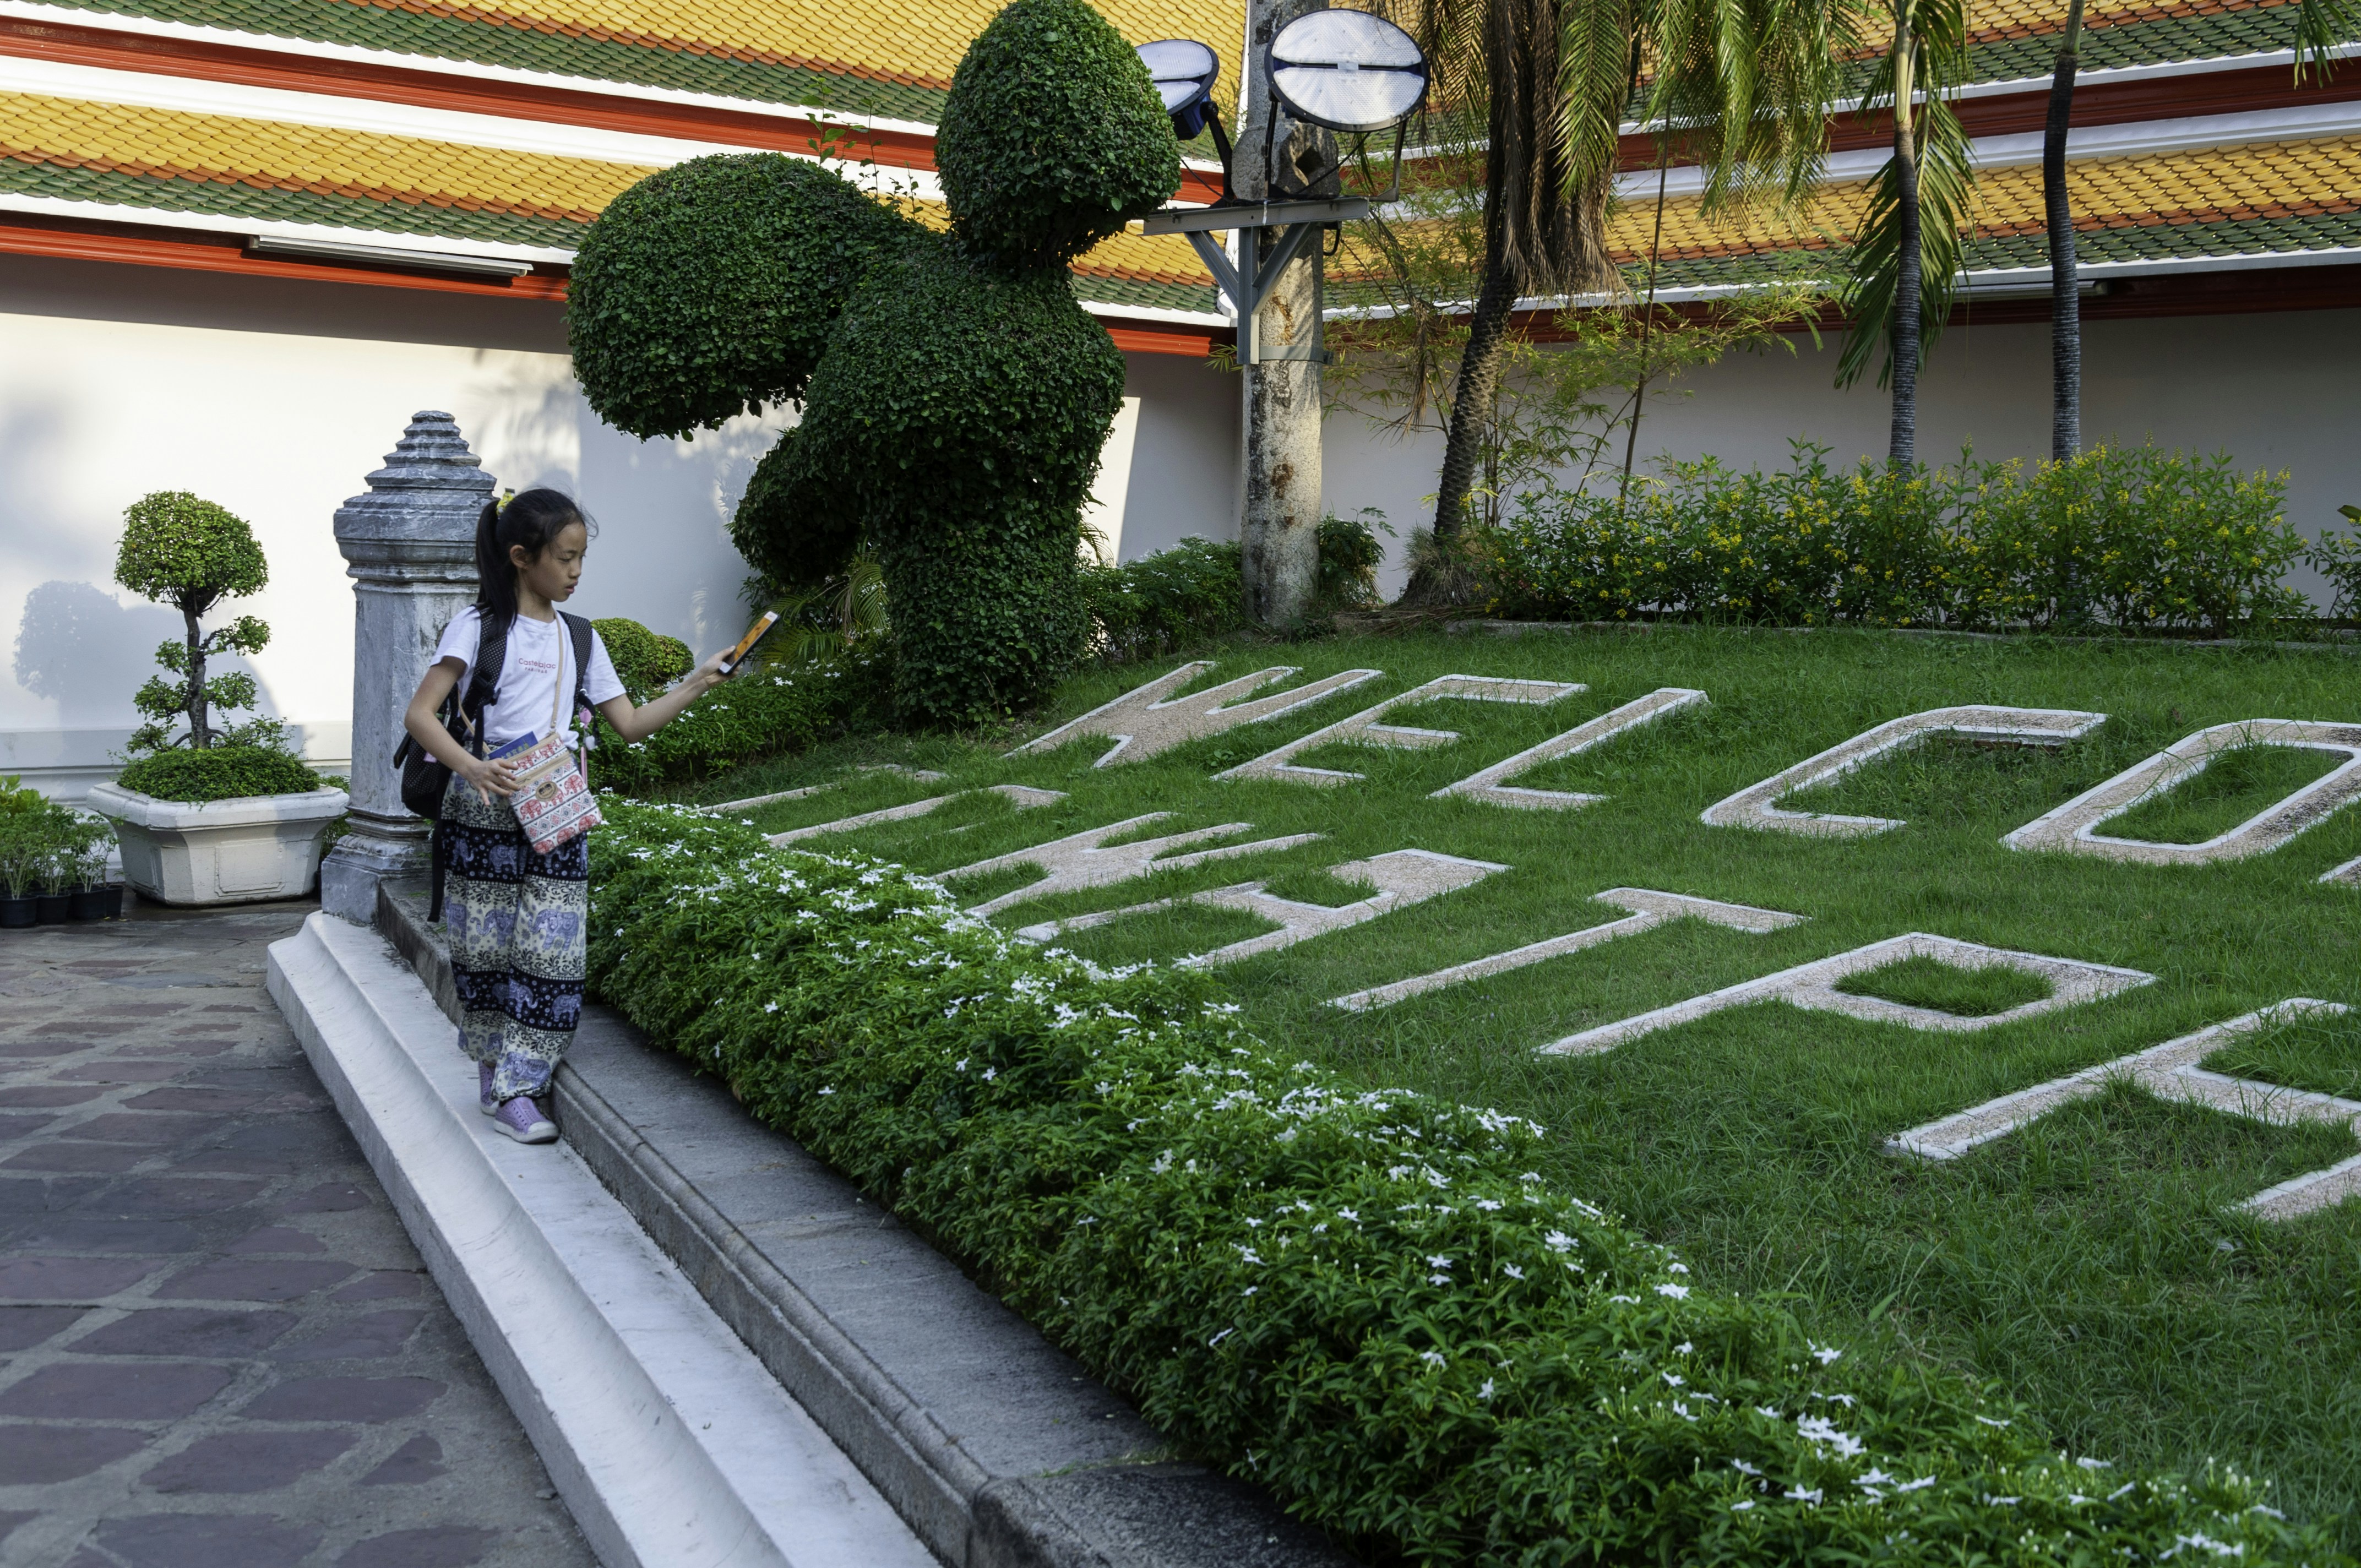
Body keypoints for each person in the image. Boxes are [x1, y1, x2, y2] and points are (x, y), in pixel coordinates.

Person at [402, 488, 726, 1144]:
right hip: (482, 807)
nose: (576, 572)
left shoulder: (582, 637)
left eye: (582, 558)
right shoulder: (479, 626)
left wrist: (695, 682)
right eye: (566, 558)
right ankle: (495, 1073)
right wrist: (471, 767)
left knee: (554, 954)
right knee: (485, 954)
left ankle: (522, 1088)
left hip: (556, 808)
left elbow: (630, 725)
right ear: (522, 558)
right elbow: (420, 714)